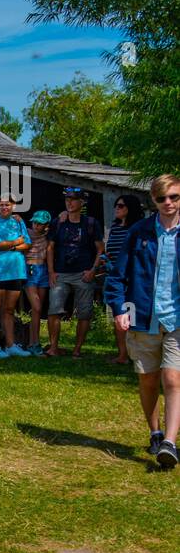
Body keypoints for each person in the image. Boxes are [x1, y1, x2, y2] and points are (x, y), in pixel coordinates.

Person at [105, 174, 180, 467]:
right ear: (153, 200)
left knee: (173, 378)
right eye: (162, 198)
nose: (169, 203)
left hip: (176, 318)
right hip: (143, 316)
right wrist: (121, 309)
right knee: (148, 380)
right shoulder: (139, 232)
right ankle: (155, 432)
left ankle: (170, 443)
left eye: (174, 197)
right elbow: (116, 274)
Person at [46, 187, 105, 357]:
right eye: (67, 199)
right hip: (61, 273)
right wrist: (51, 271)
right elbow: (50, 247)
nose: (69, 202)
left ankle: (77, 350)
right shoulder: (58, 223)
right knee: (54, 309)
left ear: (82, 202)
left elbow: (101, 248)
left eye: (73, 199)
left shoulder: (91, 223)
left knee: (84, 313)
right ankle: (53, 347)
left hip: (83, 273)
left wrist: (93, 270)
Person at [0, 197, 32, 359]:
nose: (4, 207)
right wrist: (17, 242)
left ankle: (11, 345)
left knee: (9, 309)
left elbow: (27, 243)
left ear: (13, 206)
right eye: (1, 205)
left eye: (7, 205)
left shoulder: (18, 221)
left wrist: (13, 246)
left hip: (16, 270)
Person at [106, 196, 140, 364]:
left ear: (130, 208)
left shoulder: (136, 229)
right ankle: (122, 354)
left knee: (132, 314)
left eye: (121, 206)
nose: (117, 209)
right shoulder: (114, 227)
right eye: (116, 205)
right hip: (115, 275)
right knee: (118, 313)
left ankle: (135, 353)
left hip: (133, 277)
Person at [24, 210, 53, 353]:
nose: (36, 225)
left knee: (38, 310)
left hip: (43, 271)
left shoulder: (48, 237)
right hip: (30, 269)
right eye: (34, 222)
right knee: (36, 307)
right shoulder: (27, 232)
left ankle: (34, 343)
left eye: (39, 223)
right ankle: (33, 343)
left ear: (46, 225)